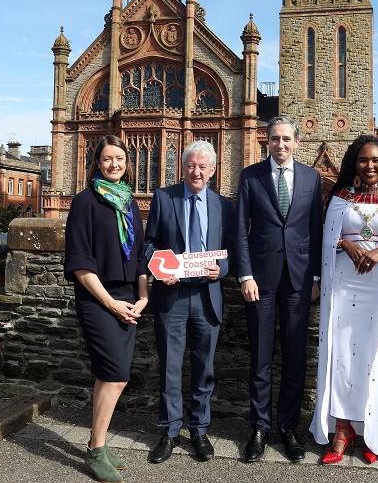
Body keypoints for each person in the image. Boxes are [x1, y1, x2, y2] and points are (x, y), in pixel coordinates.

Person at [310, 134, 378, 465]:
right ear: (354, 164)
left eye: (375, 160)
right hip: (345, 288)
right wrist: (346, 245)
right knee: (343, 357)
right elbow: (327, 239)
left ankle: (374, 432)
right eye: (362, 160)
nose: (369, 166)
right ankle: (343, 430)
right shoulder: (341, 198)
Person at [234, 115, 323, 463]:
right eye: (275, 139)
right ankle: (259, 426)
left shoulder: (312, 178)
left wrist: (315, 277)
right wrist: (245, 276)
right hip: (260, 280)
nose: (281, 145)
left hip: (299, 282)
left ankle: (288, 428)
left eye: (287, 139)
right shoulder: (250, 177)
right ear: (266, 141)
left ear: (296, 142)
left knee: (296, 357)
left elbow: (314, 230)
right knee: (260, 356)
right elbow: (240, 230)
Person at [64, 134, 148, 483]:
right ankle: (96, 450)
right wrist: (112, 304)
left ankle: (97, 443)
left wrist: (143, 297)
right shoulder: (85, 202)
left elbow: (141, 256)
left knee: (109, 376)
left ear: (128, 165)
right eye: (107, 159)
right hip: (99, 299)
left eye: (120, 159)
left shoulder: (129, 203)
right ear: (96, 163)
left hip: (130, 298)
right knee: (116, 374)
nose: (114, 165)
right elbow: (80, 263)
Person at [144, 140, 235, 463]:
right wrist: (158, 267)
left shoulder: (224, 206)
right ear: (182, 168)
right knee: (170, 367)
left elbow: (231, 250)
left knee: (204, 369)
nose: (196, 171)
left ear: (212, 170)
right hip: (172, 296)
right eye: (190, 165)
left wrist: (220, 268)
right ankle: (169, 431)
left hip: (207, 297)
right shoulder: (163, 198)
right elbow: (150, 244)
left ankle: (198, 431)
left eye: (202, 166)